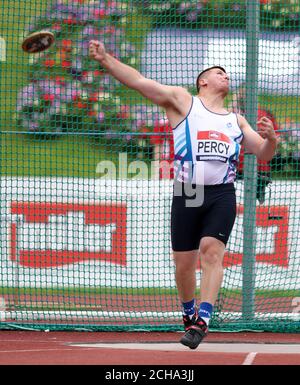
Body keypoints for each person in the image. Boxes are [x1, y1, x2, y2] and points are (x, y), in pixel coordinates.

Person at [88, 40, 277, 349]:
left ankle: (203, 319)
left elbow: (265, 154)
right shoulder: (183, 101)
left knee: (212, 251)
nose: (225, 76)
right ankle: (188, 312)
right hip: (188, 191)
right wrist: (107, 60)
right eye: (219, 72)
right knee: (184, 264)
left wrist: (271, 139)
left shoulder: (236, 120)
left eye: (227, 73)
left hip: (221, 193)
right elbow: (139, 82)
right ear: (203, 80)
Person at [231, 84, 280, 203]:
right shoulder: (233, 115)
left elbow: (276, 139)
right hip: (239, 169)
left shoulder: (233, 115)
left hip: (257, 169)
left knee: (250, 207)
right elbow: (277, 139)